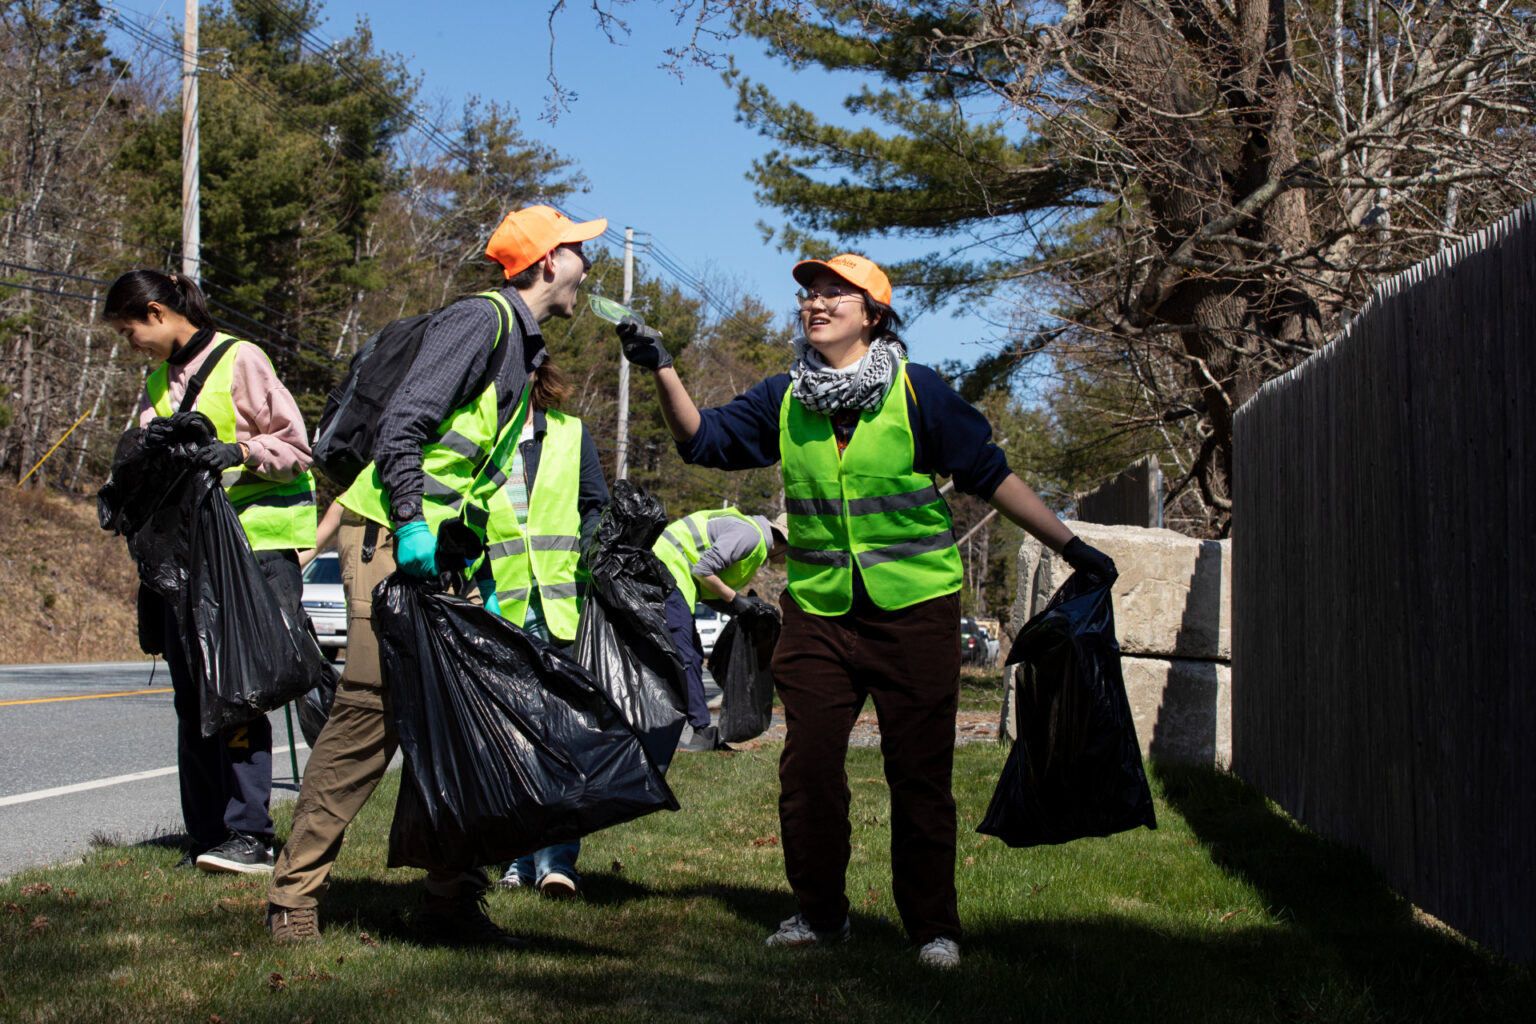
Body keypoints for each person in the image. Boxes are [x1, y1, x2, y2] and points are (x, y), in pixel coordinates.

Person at [617, 253, 1116, 970]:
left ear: (873, 314)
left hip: (916, 612)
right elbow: (704, 441)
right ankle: (820, 915)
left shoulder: (920, 394)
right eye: (809, 295)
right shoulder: (785, 399)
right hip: (819, 616)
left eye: (834, 294)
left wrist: (1072, 547)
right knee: (809, 771)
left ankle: (932, 928)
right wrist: (661, 367)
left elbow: (993, 475)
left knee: (918, 774)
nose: (815, 304)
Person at [264, 204, 607, 948]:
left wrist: (464, 540)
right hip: (391, 537)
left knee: (456, 717)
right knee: (367, 715)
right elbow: (406, 423)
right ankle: (292, 898)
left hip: (440, 555)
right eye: (581, 251)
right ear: (548, 262)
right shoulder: (479, 323)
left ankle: (450, 902)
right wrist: (415, 520)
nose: (590, 265)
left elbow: (470, 462)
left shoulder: (521, 344)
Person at [106, 268, 318, 876]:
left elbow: (299, 448)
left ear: (156, 312)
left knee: (240, 690)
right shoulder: (153, 383)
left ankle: (249, 833)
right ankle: (204, 834)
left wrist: (242, 451)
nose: (131, 346)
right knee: (192, 697)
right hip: (186, 562)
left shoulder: (240, 359)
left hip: (251, 554)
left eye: (129, 331)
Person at [490, 356, 610, 899]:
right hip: (498, 608)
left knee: (563, 739)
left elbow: (593, 508)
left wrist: (599, 549)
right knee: (512, 740)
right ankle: (516, 857)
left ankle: (558, 859)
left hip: (562, 610)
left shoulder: (570, 434)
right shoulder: (480, 438)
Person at [651, 508, 787, 751]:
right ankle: (697, 731)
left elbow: (708, 587)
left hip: (675, 572)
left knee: (689, 653)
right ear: (782, 542)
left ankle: (693, 728)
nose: (789, 561)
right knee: (687, 655)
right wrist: (734, 600)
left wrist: (739, 607)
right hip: (668, 565)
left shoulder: (754, 542)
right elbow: (702, 570)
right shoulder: (751, 536)